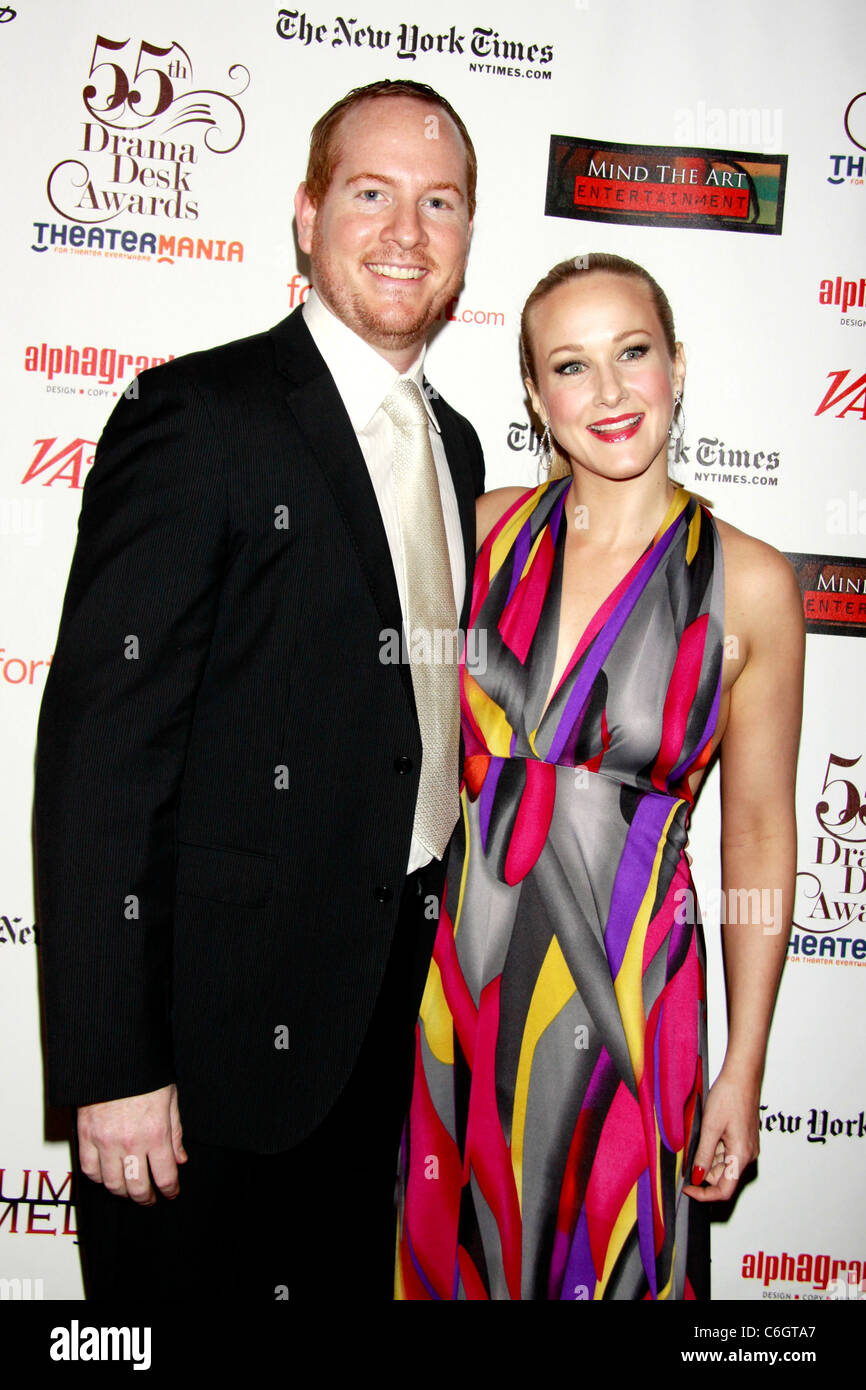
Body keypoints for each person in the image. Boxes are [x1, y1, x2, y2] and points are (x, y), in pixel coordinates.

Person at [35, 78, 484, 1301]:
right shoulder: (196, 415)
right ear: (304, 215)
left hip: (391, 1028)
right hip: (206, 1057)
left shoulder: (457, 449)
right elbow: (101, 752)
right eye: (372, 193)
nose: (406, 231)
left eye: (438, 201)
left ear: (467, 238)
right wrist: (111, 1065)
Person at [394, 252, 804, 1301]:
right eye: (570, 367)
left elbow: (755, 834)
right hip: (459, 986)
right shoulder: (479, 532)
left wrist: (742, 1068)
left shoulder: (748, 582)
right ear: (534, 395)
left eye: (632, 353)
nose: (609, 393)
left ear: (676, 363)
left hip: (629, 995)